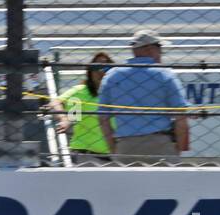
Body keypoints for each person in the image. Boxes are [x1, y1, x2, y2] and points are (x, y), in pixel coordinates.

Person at [97, 29, 189, 164]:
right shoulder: (165, 74)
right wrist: (178, 149)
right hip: (160, 143)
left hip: (126, 144)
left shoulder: (112, 76)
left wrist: (114, 148)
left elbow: (103, 118)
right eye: (159, 48)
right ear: (150, 49)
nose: (161, 53)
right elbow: (181, 118)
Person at [50, 52, 115, 162]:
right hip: (86, 153)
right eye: (97, 67)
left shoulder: (117, 92)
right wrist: (64, 119)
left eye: (106, 67)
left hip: (113, 154)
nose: (101, 72)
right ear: (90, 71)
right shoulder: (81, 91)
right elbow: (56, 102)